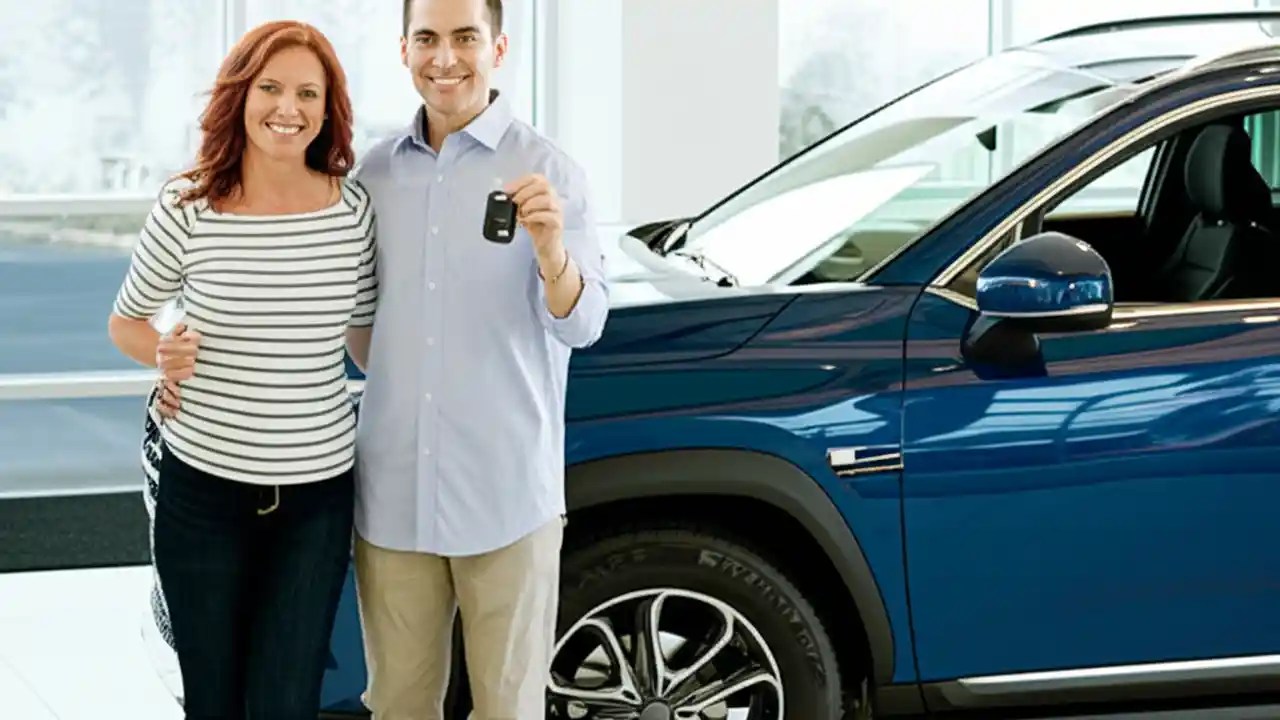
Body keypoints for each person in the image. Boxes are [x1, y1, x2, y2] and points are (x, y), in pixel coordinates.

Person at [341, 0, 609, 717]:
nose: (445, 58)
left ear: (499, 48)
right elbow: (361, 333)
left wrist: (551, 252)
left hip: (507, 499)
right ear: (403, 49)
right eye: (427, 38)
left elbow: (584, 325)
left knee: (507, 707)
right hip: (393, 499)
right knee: (397, 703)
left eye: (465, 37)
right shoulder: (373, 176)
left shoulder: (549, 171)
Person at [106, 20, 378, 719]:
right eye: (271, 88)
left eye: (308, 94)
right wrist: (162, 352)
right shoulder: (188, 206)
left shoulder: (352, 211)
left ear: (328, 109)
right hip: (202, 495)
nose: (288, 108)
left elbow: (368, 343)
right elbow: (127, 323)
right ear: (241, 95)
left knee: (287, 701)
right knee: (214, 702)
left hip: (316, 500)